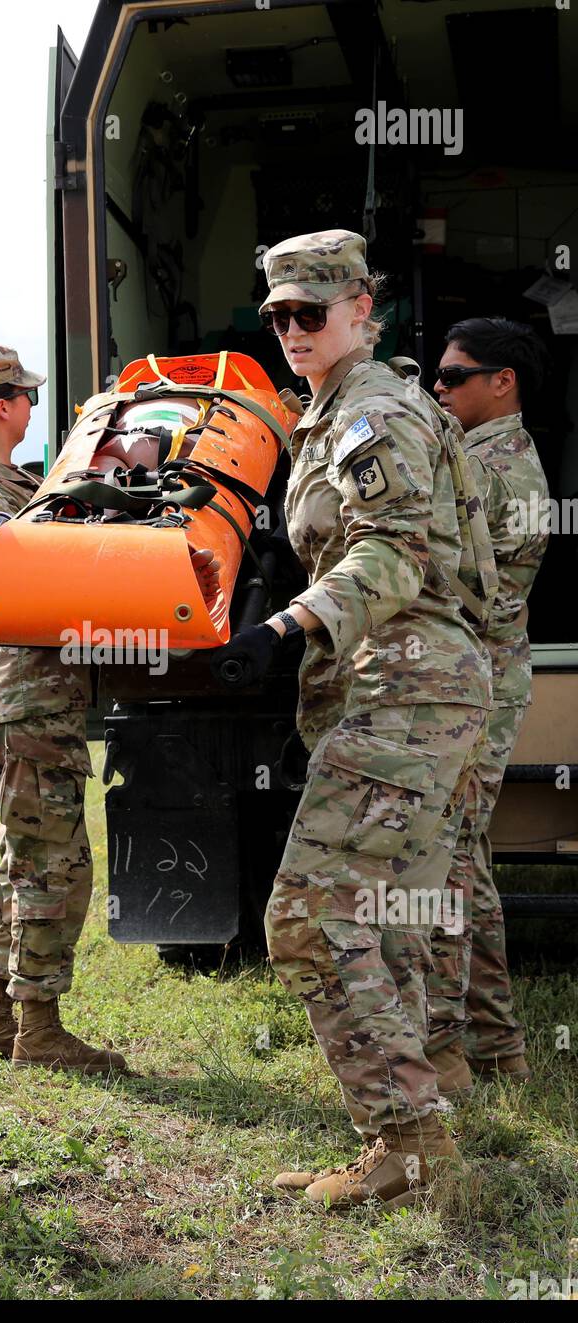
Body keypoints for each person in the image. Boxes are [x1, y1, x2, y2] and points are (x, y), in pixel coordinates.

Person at [220, 229, 492, 1210]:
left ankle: (407, 1149)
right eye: (277, 314)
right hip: (404, 688)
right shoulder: (330, 411)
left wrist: (293, 625)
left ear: (360, 310)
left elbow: (396, 554)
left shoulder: (372, 411)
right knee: (386, 922)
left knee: (307, 918)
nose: (291, 329)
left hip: (406, 691)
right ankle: (416, 1132)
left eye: (311, 312)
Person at [0, 345, 127, 1073]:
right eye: (26, 397)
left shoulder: (8, 479)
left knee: (24, 861)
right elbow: (18, 557)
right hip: (26, 703)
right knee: (54, 869)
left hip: (31, 701)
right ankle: (36, 1029)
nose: (33, 406)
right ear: (4, 406)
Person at [426, 318, 550, 1092]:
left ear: (502, 382)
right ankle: (493, 1043)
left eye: (453, 376)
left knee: (453, 864)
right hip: (486, 680)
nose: (439, 388)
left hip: (471, 685)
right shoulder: (490, 457)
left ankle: (484, 1043)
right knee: (462, 859)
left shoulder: (486, 470)